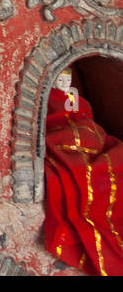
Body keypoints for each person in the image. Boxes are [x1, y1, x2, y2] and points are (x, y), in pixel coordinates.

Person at [43, 68, 123, 275]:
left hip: (88, 132)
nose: (64, 83)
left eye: (67, 80)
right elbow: (54, 119)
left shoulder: (73, 95)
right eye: (60, 79)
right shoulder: (48, 95)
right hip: (63, 131)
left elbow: (84, 114)